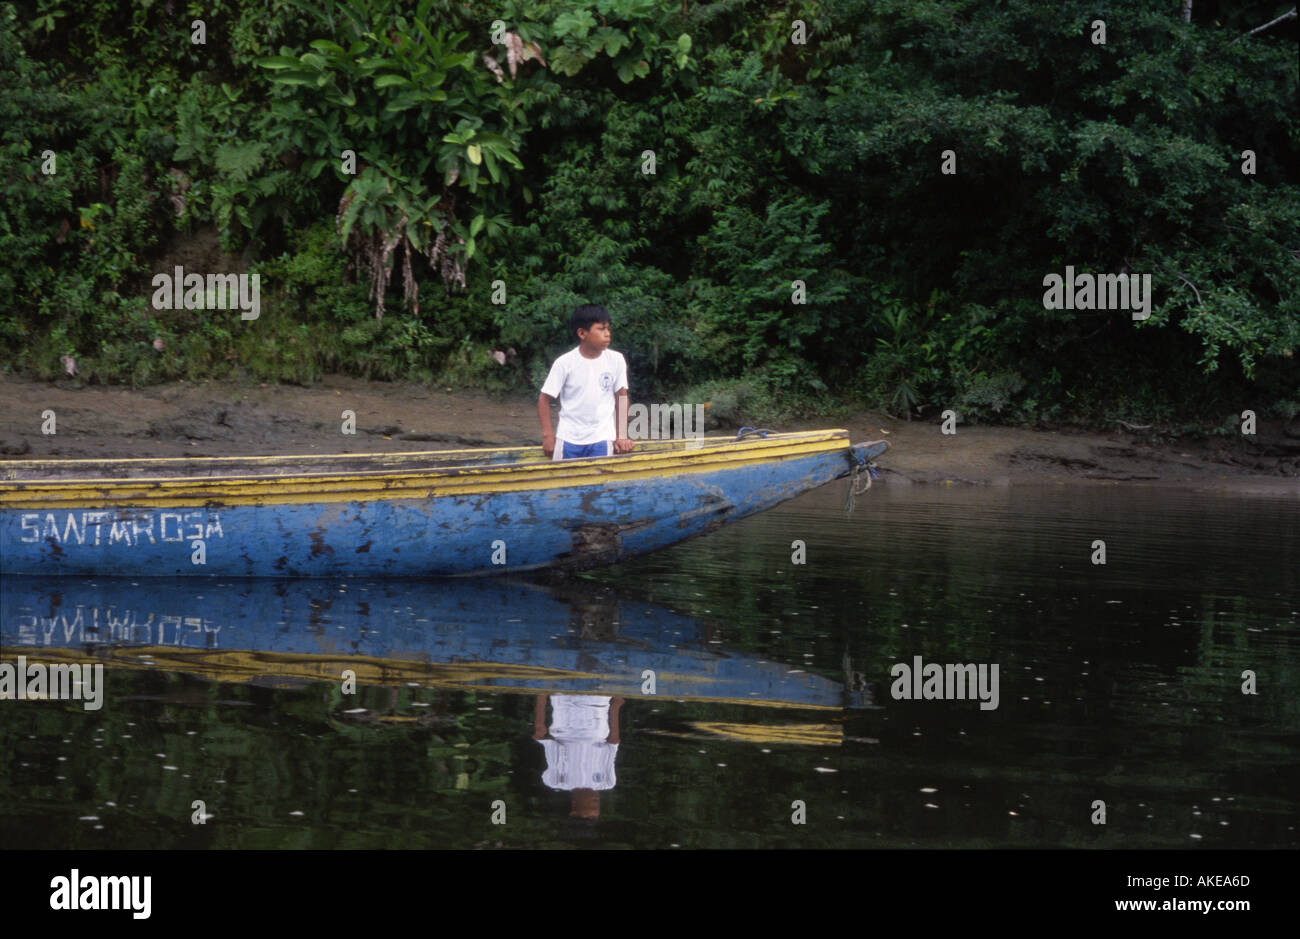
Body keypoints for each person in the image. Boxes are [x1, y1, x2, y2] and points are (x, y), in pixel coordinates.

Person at [537, 304, 635, 460]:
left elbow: (621, 397)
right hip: (568, 438)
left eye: (608, 329)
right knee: (565, 482)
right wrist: (548, 436)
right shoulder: (565, 363)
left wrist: (621, 436)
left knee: (600, 482)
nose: (607, 334)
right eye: (601, 329)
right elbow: (544, 399)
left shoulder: (616, 360)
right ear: (582, 333)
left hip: (602, 438)